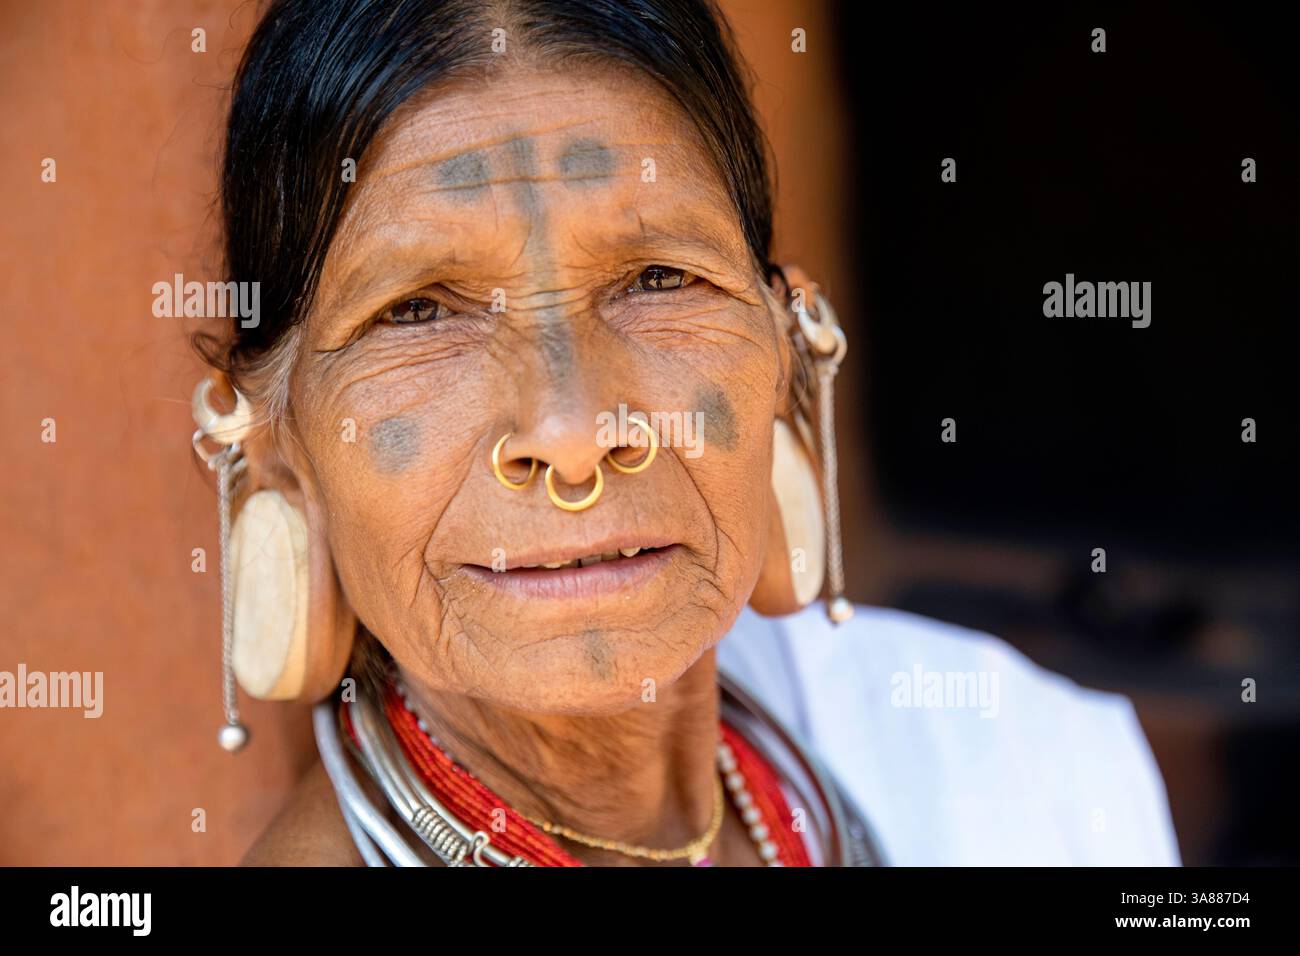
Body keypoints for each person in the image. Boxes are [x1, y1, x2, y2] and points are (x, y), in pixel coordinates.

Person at [188, 0, 1180, 866]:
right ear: (270, 435)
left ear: (790, 346)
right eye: (420, 310)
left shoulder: (1020, 762)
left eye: (658, 279)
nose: (575, 433)